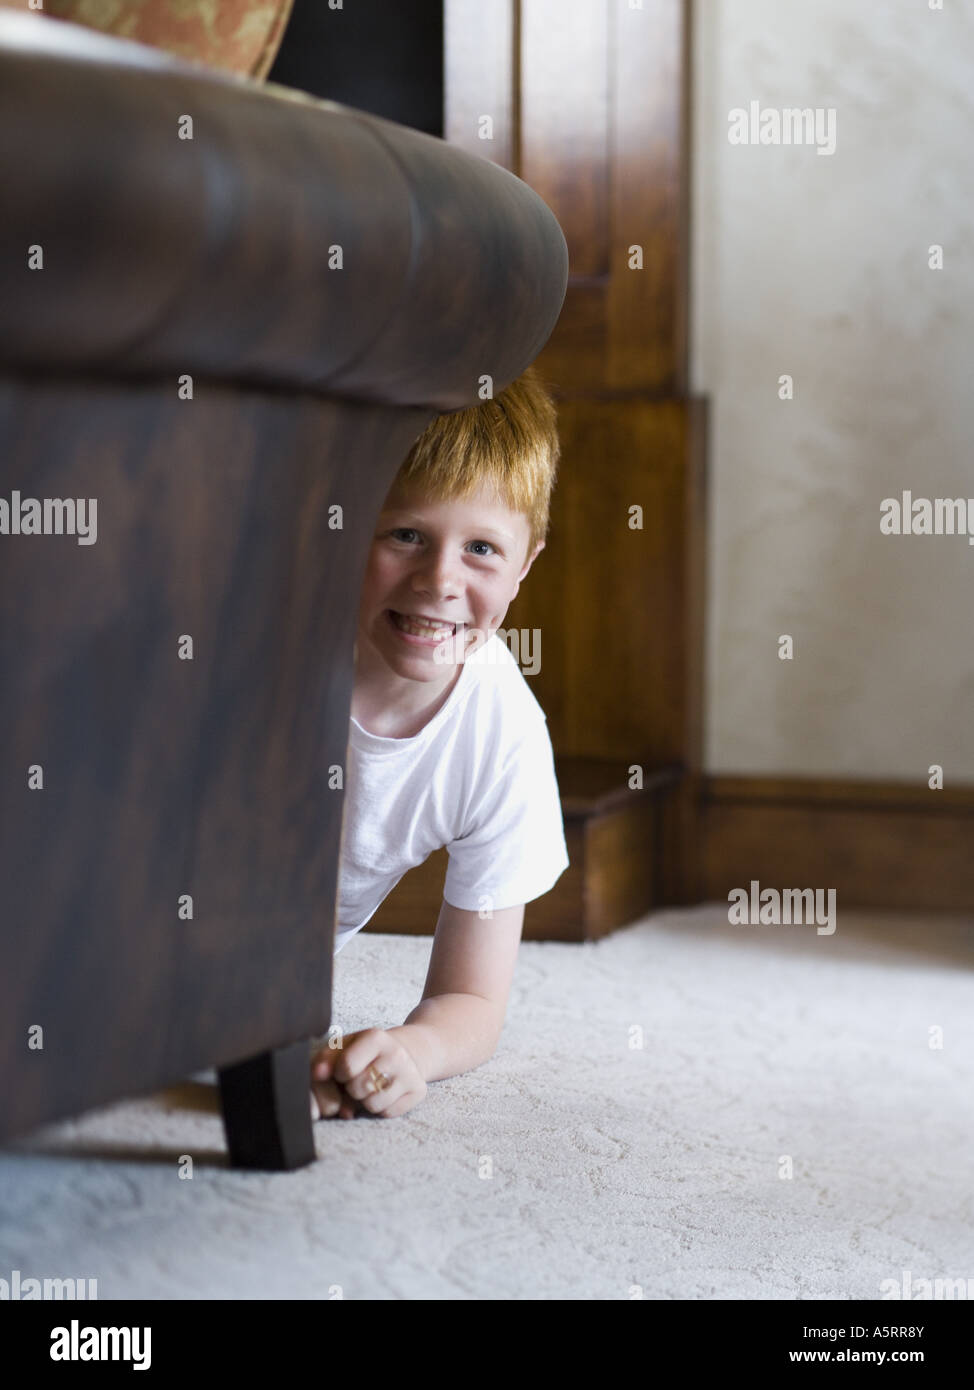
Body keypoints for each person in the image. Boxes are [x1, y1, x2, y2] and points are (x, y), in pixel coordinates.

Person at [310, 366, 570, 1120]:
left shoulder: (503, 736)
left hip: (255, 977)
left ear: (526, 567)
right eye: (407, 534)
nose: (438, 580)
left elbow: (472, 997)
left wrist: (411, 1049)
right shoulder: (272, 652)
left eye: (482, 549)